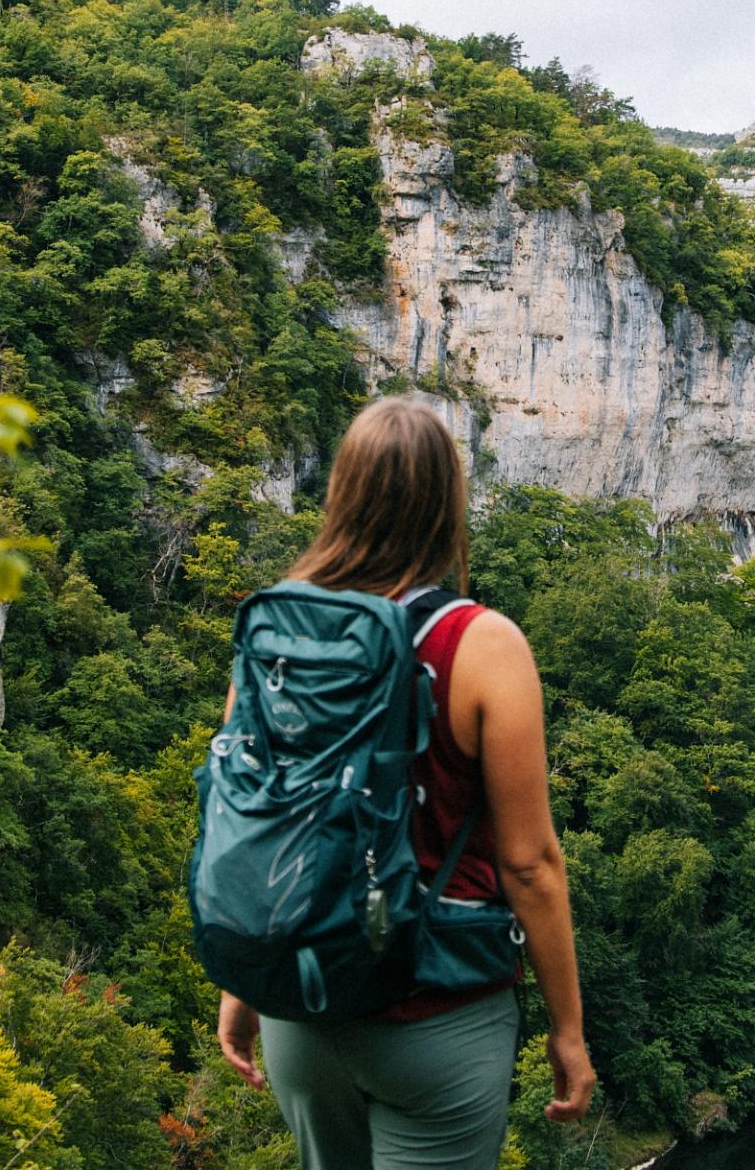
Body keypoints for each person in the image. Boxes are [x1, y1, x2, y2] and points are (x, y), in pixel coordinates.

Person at [215, 397, 595, 1169]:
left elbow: (253, 821)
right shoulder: (483, 644)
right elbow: (530, 864)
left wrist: (244, 981)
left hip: (303, 1001)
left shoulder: (274, 634)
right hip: (438, 1012)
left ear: (340, 493)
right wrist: (568, 1029)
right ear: (447, 504)